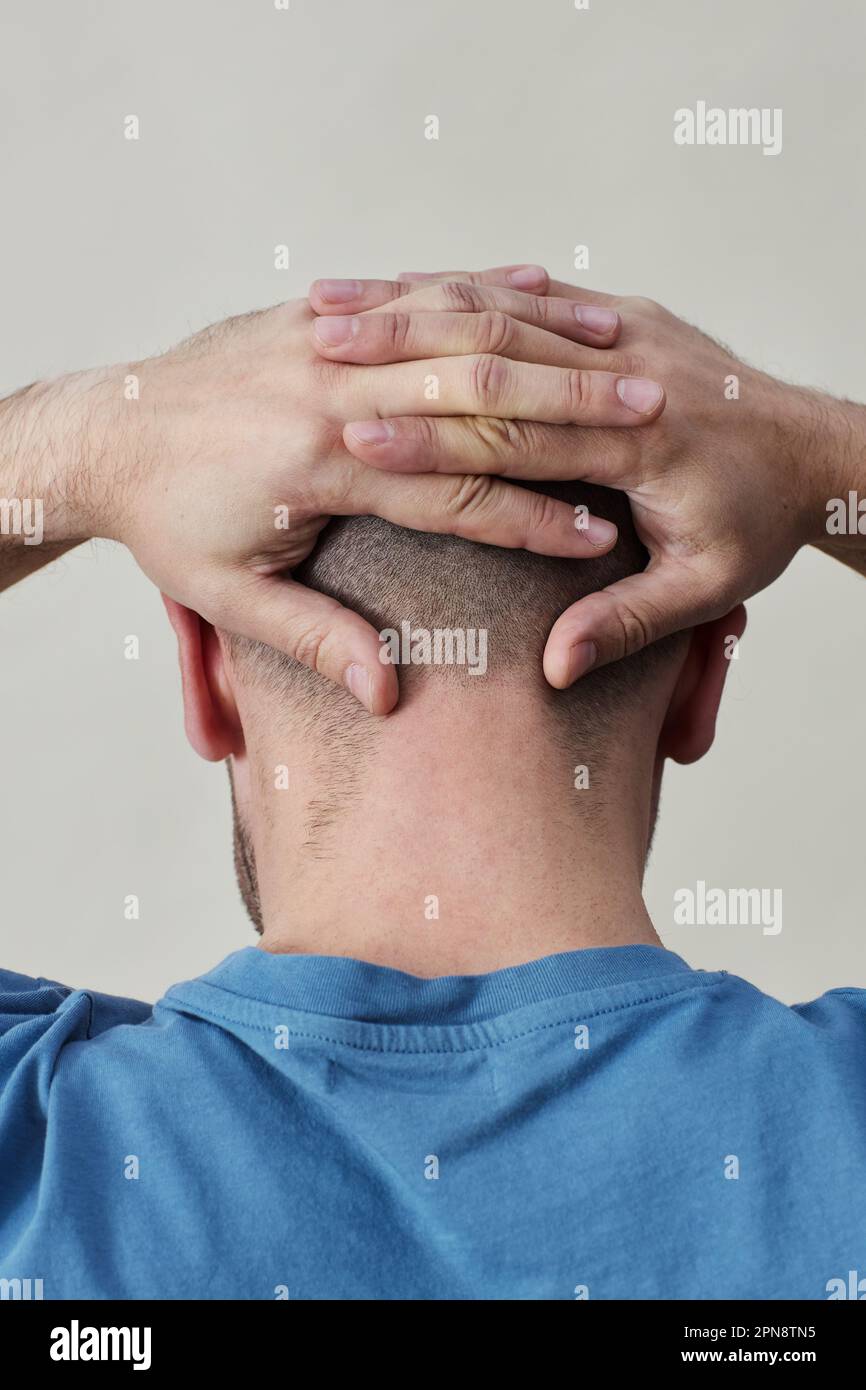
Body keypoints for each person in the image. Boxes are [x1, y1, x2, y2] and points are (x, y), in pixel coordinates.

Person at [0, 268, 863, 1299]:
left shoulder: (37, 1164)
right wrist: (821, 460)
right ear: (702, 680)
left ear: (202, 675)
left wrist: (94, 443)